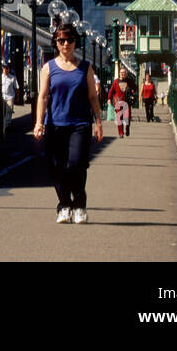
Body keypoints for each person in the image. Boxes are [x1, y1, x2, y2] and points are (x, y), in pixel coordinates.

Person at [34, 24, 103, 224]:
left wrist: (98, 122)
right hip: (55, 125)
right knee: (57, 167)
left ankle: (79, 205)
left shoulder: (85, 67)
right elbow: (43, 96)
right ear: (56, 43)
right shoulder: (48, 68)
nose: (66, 44)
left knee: (76, 164)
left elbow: (92, 96)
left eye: (70, 40)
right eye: (61, 41)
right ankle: (64, 205)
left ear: (75, 42)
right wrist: (39, 123)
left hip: (80, 124)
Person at [108, 68, 133, 138]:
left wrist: (132, 92)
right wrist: (109, 98)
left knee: (127, 117)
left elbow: (134, 88)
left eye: (124, 72)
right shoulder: (116, 82)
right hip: (118, 102)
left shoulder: (129, 81)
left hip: (127, 102)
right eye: (121, 72)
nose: (122, 74)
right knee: (119, 118)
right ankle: (121, 133)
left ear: (126, 74)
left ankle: (127, 128)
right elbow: (111, 90)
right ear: (119, 74)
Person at [0, 63, 18, 129]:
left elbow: (17, 88)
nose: (6, 69)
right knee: (2, 112)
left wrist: (17, 98)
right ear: (2, 69)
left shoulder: (13, 78)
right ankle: (5, 124)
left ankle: (4, 126)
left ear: (9, 69)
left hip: (10, 97)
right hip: (2, 97)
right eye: (4, 68)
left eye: (7, 68)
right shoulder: (0, 77)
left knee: (8, 112)